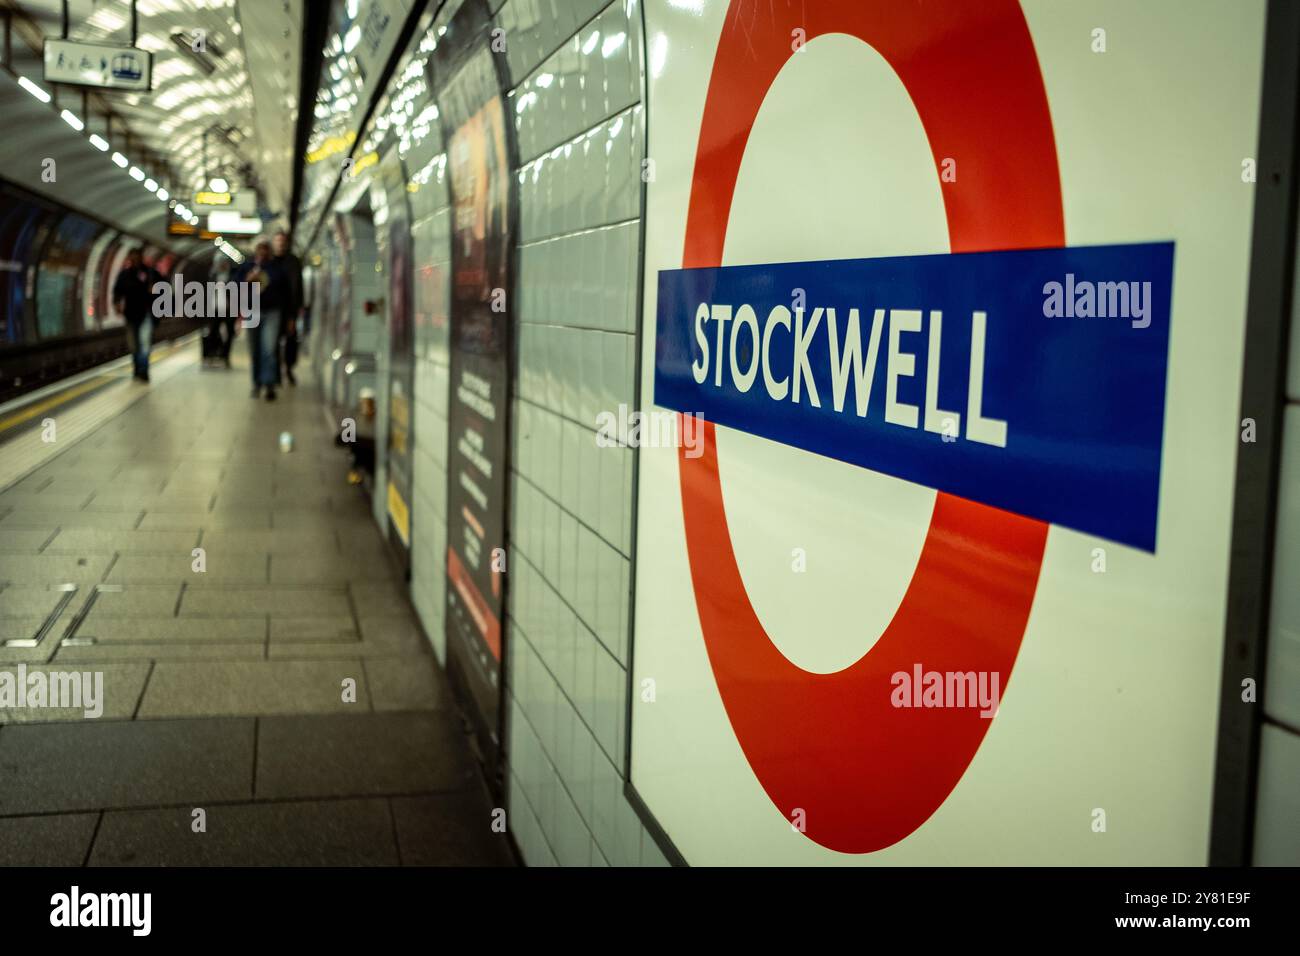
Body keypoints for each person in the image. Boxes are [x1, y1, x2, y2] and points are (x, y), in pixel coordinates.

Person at [236, 241, 286, 401]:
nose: (263, 252)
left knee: (269, 348)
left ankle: (269, 383)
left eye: (266, 248)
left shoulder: (276, 268)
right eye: (260, 248)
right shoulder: (247, 267)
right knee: (255, 349)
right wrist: (247, 279)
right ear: (255, 250)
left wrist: (289, 317)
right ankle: (257, 383)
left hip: (272, 312)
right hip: (252, 310)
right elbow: (234, 286)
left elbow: (285, 290)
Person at [111, 247, 157, 383]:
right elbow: (117, 291)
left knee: (144, 343)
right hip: (130, 314)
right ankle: (137, 369)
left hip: (146, 313)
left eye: (137, 257)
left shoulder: (149, 273)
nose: (134, 259)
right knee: (134, 345)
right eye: (132, 257)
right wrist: (117, 304)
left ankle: (144, 370)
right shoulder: (124, 275)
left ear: (141, 257)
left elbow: (160, 289)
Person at [272, 230, 304, 386]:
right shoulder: (270, 261)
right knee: (273, 341)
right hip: (273, 309)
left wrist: (299, 307)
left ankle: (289, 368)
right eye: (278, 241)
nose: (280, 244)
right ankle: (276, 371)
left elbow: (299, 286)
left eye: (283, 241)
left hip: (290, 308)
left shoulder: (293, 261)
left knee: (291, 339)